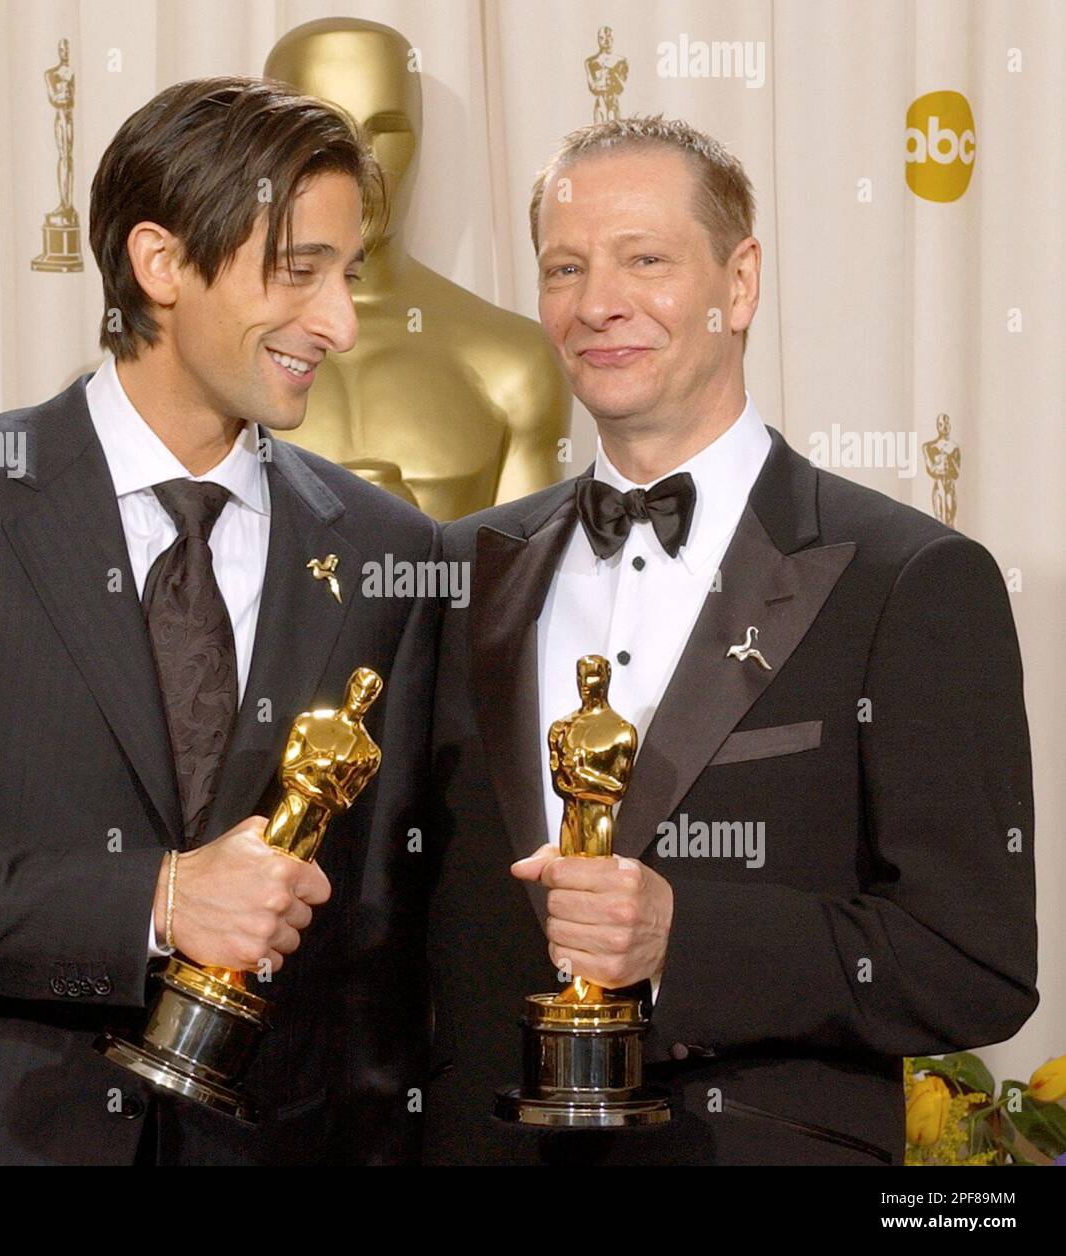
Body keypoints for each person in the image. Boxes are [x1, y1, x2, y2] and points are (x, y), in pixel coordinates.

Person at [0, 76, 436, 1166]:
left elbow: (378, 944)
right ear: (160, 261)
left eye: (349, 274)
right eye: (299, 270)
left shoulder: (385, 548)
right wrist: (159, 898)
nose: (340, 321)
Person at [424, 115, 1036, 1165]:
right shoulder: (452, 570)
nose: (596, 302)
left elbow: (971, 962)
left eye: (645, 259)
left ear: (738, 283)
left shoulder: (911, 580)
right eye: (564, 266)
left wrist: (681, 939)